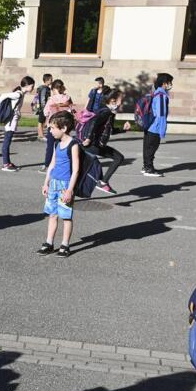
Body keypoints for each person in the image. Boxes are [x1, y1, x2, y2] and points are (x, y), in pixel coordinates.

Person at [38, 111, 81, 258]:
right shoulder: (57, 143)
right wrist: (46, 183)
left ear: (63, 128)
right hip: (54, 183)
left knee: (66, 217)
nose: (50, 131)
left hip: (65, 185)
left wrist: (69, 190)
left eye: (52, 128)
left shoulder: (73, 145)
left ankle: (65, 245)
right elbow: (52, 164)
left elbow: (76, 170)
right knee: (52, 214)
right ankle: (49, 243)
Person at [81, 86, 131, 194]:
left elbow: (110, 130)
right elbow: (94, 122)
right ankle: (102, 183)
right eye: (121, 100)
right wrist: (88, 138)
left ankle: (103, 183)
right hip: (93, 145)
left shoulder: (108, 112)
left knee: (118, 158)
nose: (122, 103)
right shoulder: (106, 112)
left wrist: (123, 129)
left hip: (96, 144)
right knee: (118, 158)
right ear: (113, 100)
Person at [0, 75, 34, 172]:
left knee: (8, 142)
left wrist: (18, 113)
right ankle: (6, 164)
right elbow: (3, 95)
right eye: (32, 86)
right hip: (10, 121)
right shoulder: (18, 94)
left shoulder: (21, 94)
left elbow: (16, 107)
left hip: (13, 120)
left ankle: (8, 162)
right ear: (27, 85)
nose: (33, 88)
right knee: (6, 142)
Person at [143, 72, 173, 177]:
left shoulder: (156, 93)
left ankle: (146, 166)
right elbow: (161, 115)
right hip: (155, 127)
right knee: (152, 148)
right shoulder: (161, 96)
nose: (170, 85)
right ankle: (149, 169)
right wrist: (162, 130)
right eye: (170, 82)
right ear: (164, 83)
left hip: (149, 125)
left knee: (148, 147)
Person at [40, 79, 75, 171]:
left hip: (53, 125)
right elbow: (72, 109)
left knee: (50, 146)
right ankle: (64, 164)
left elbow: (45, 112)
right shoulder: (67, 98)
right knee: (64, 145)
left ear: (54, 89)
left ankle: (48, 165)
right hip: (64, 125)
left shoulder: (51, 99)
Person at [34, 74, 54, 143]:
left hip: (41, 107)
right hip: (43, 107)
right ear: (47, 80)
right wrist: (44, 107)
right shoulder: (44, 88)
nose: (52, 81)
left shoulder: (43, 88)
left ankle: (40, 135)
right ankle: (41, 136)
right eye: (51, 79)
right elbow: (43, 98)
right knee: (41, 121)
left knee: (41, 121)